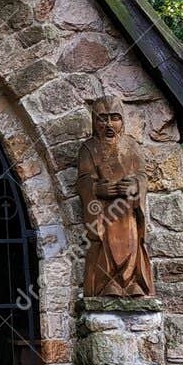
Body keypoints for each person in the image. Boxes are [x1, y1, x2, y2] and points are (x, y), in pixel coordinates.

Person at [77, 100, 154, 298]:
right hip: (102, 212)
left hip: (127, 210)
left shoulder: (131, 146)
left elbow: (142, 175)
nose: (109, 124)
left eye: (114, 118)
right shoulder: (89, 148)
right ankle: (106, 283)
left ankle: (131, 282)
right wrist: (97, 188)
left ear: (122, 121)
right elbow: (84, 180)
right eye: (103, 119)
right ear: (95, 122)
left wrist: (135, 186)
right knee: (104, 242)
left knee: (131, 240)